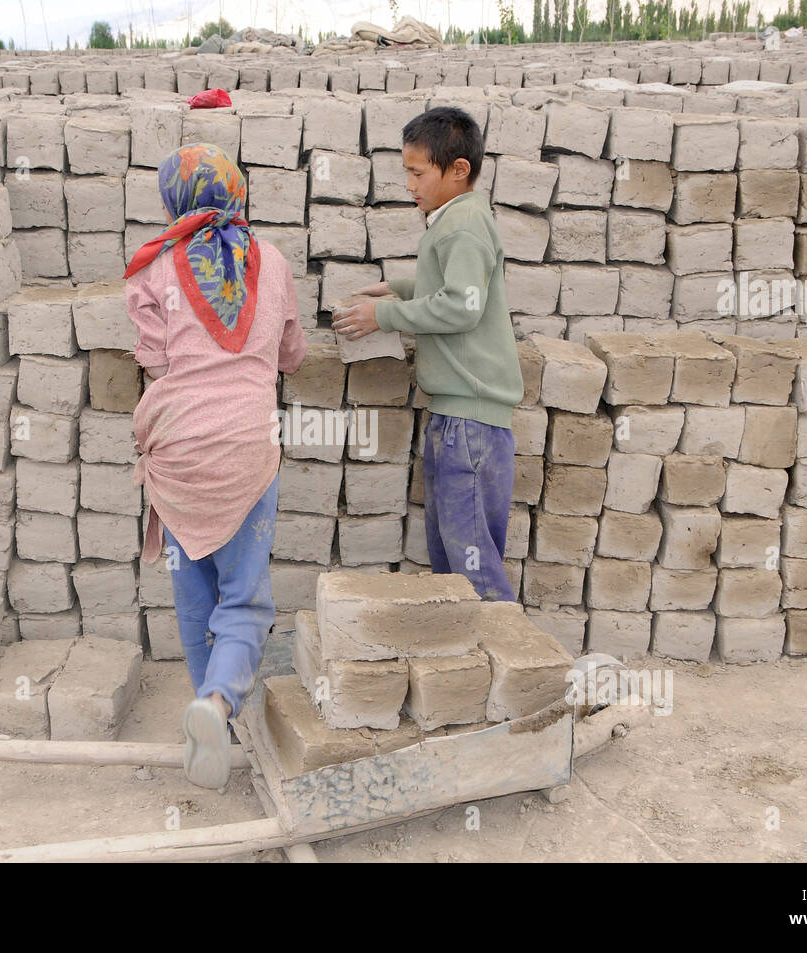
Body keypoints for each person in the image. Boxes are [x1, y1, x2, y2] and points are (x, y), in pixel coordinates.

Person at [125, 143, 306, 789]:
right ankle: (218, 703)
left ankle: (210, 715)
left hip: (177, 455)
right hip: (244, 452)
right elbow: (292, 353)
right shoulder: (275, 262)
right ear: (237, 191)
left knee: (194, 595)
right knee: (244, 600)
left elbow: (153, 361)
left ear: (173, 198)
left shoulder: (155, 269)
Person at [333, 106, 523, 601]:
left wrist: (385, 316)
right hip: (455, 416)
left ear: (458, 170)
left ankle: (512, 664)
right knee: (452, 560)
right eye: (407, 173)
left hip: (471, 422)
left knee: (471, 565)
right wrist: (397, 288)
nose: (410, 185)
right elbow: (450, 283)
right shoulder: (453, 220)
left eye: (417, 173)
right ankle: (466, 666)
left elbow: (463, 305)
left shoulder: (462, 224)